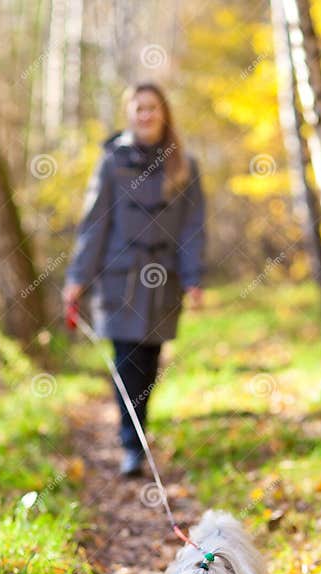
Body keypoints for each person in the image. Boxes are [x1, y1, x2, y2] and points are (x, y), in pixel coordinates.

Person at [63, 82, 206, 477]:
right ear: (130, 113)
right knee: (127, 361)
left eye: (152, 108)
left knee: (150, 361)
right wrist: (77, 278)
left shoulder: (185, 165)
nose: (146, 115)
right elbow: (94, 224)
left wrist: (194, 278)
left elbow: (194, 226)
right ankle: (131, 445)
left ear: (164, 113)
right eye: (139, 108)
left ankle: (138, 432)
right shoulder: (111, 161)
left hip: (164, 281)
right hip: (120, 279)